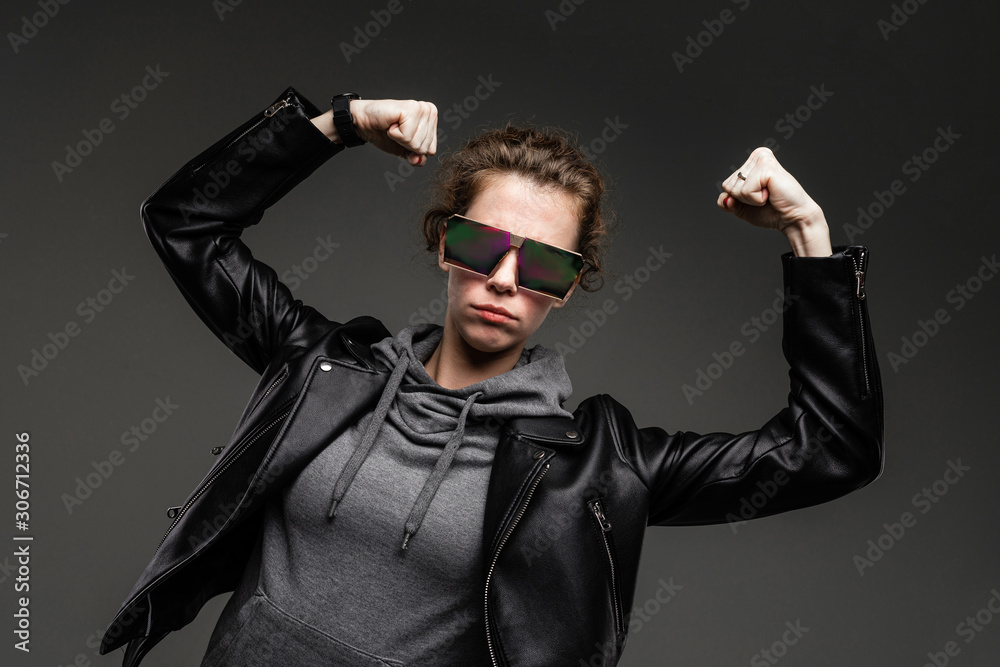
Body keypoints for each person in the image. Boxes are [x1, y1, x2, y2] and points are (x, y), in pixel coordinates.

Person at [100, 87, 884, 667]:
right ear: (445, 244)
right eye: (483, 247)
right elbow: (185, 222)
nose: (505, 280)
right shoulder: (321, 369)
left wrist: (806, 233)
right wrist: (339, 123)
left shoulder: (593, 467)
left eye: (541, 265)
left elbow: (830, 449)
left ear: (567, 287)